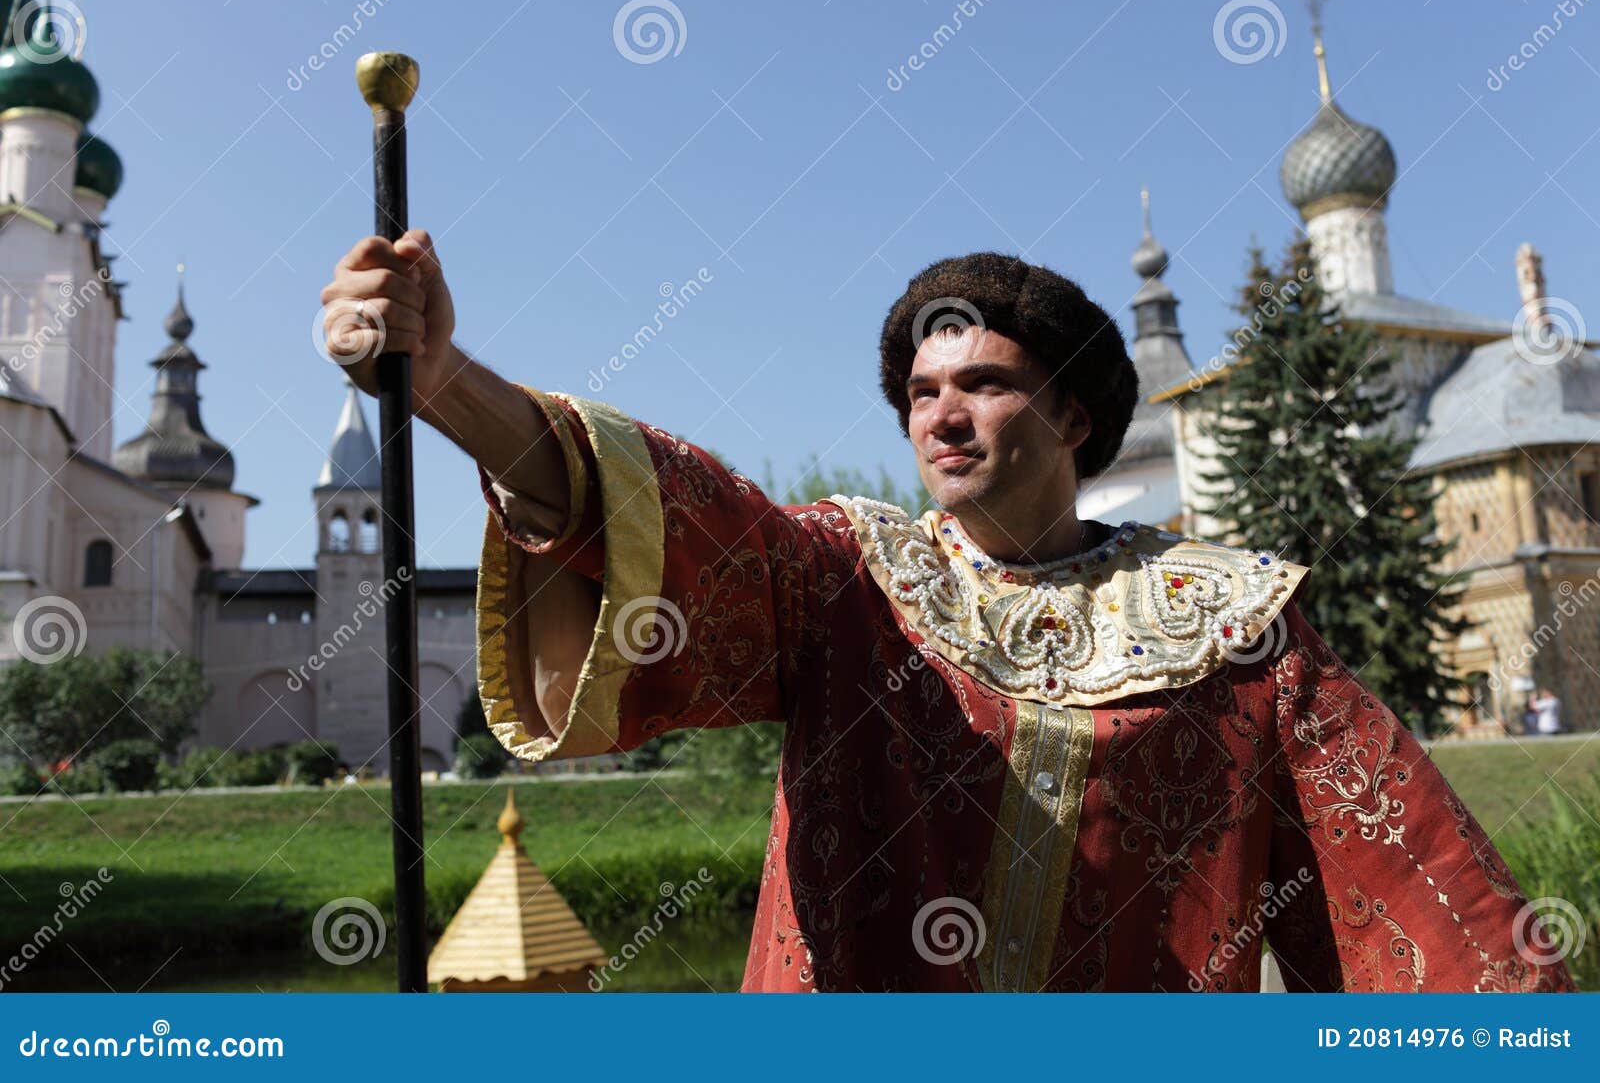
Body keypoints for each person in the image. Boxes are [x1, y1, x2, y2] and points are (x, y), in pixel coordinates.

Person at [319, 233, 1575, 992]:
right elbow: (679, 525)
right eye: (920, 391)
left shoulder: (1234, 627)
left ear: (1075, 418)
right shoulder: (842, 581)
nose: (939, 413)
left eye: (982, 382)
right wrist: (449, 387)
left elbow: (1423, 908)